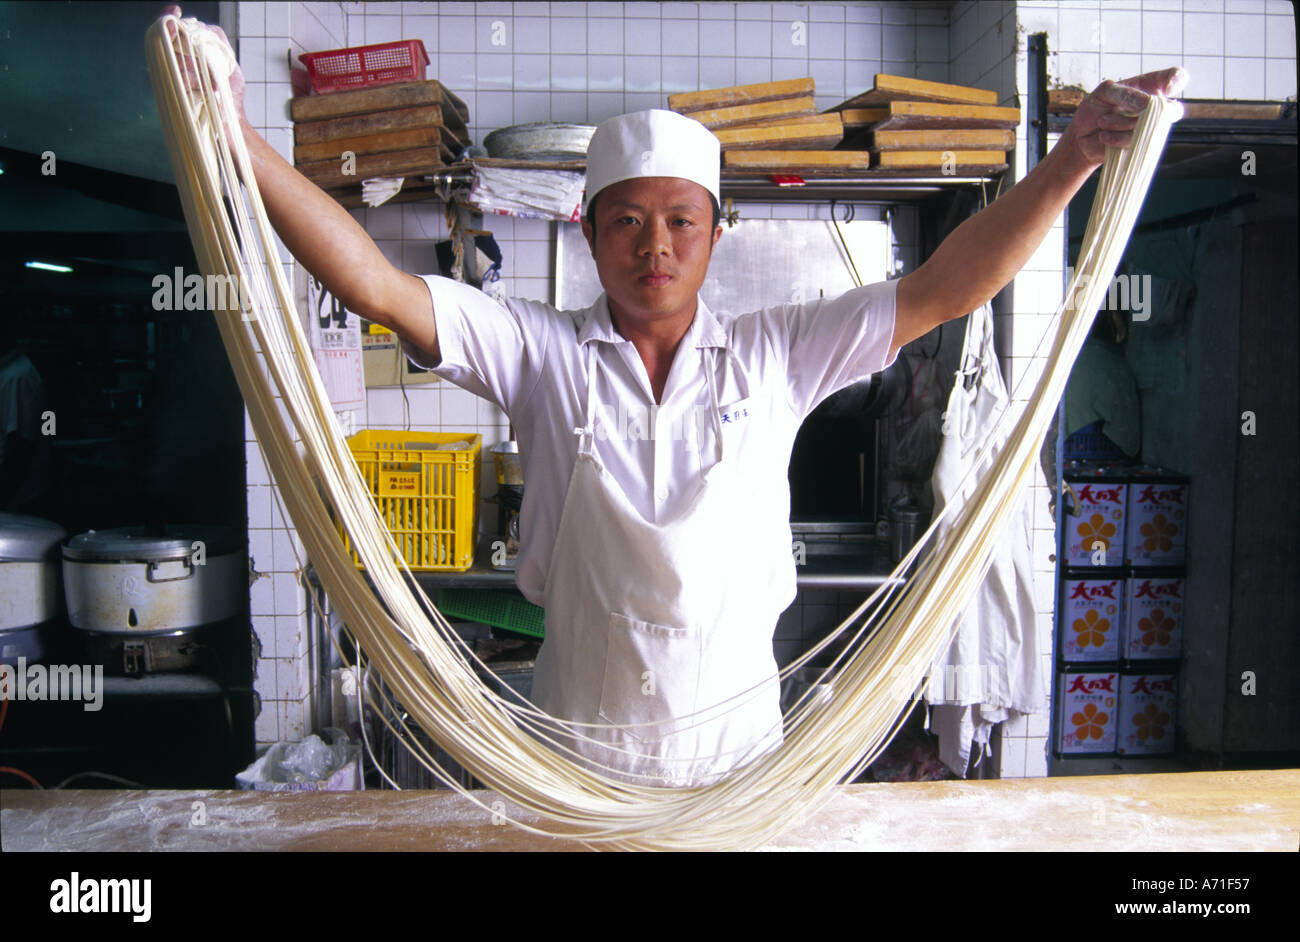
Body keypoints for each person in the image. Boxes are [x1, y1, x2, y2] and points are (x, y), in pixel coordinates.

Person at [163, 7, 1184, 785]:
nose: (654, 245)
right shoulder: (537, 351)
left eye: (681, 221)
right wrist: (234, 136)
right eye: (627, 221)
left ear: (715, 234)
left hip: (737, 759)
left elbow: (944, 289)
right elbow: (373, 285)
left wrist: (1072, 159)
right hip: (580, 755)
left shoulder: (777, 353)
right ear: (588, 232)